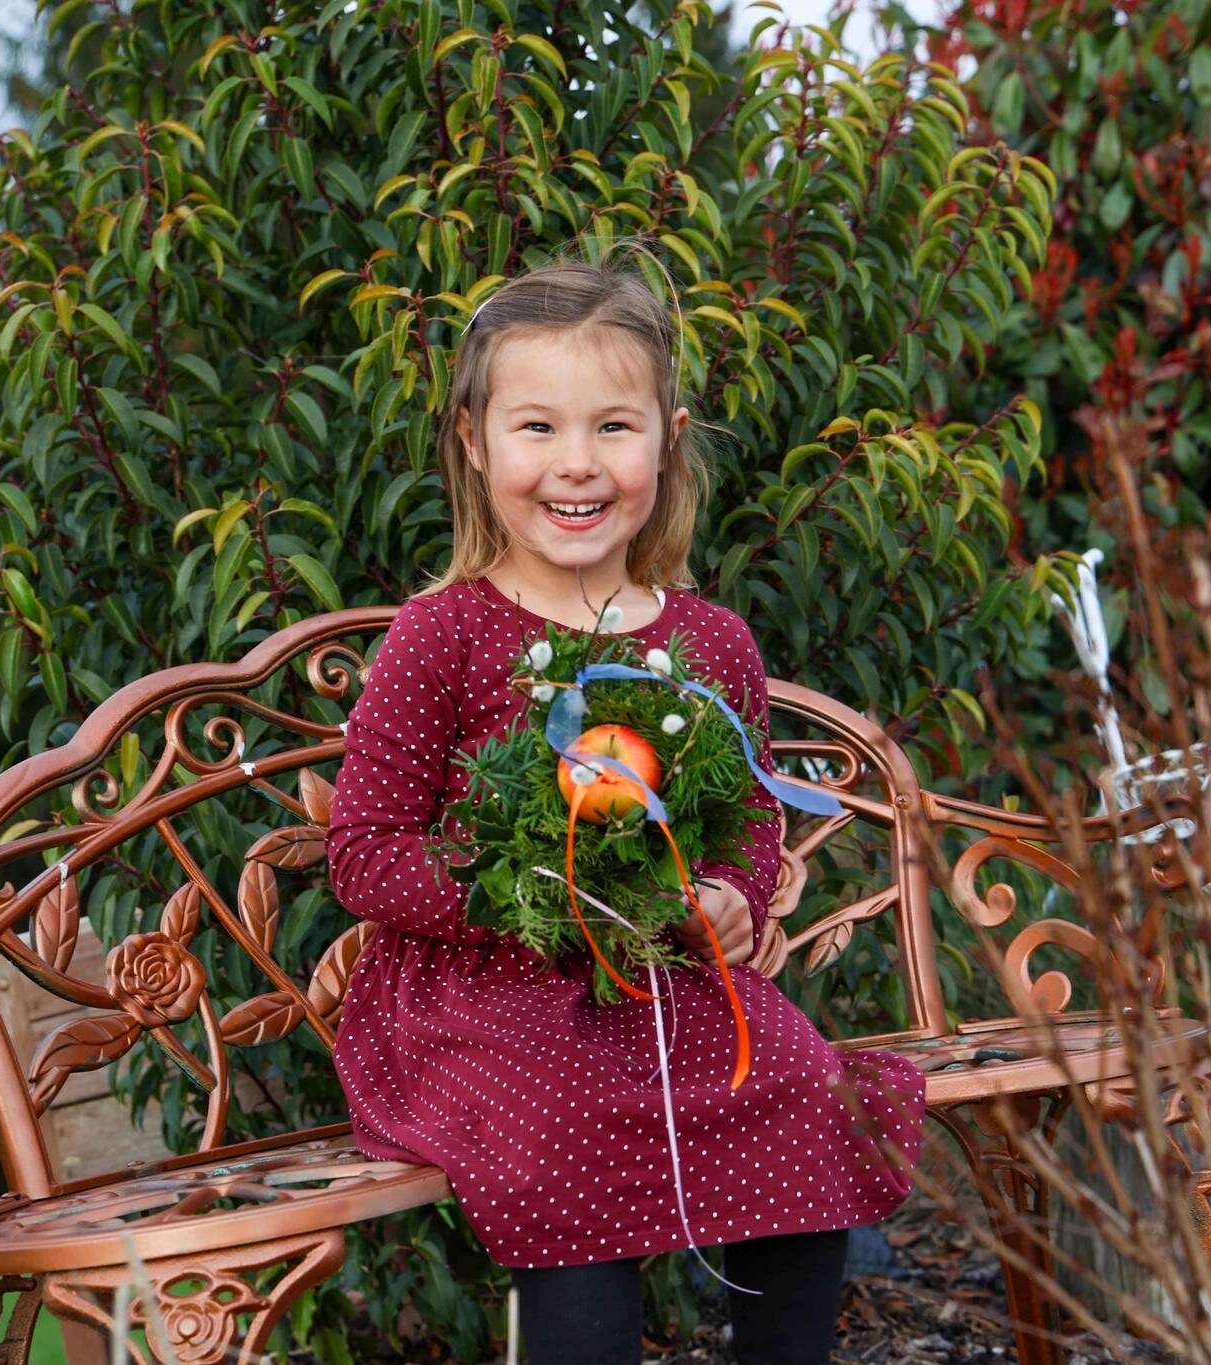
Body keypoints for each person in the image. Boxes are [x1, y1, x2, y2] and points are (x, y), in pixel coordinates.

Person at [326, 247, 928, 1364]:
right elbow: (363, 853)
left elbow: (746, 815)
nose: (576, 464)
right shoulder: (445, 635)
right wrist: (530, 897)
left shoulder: (705, 642)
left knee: (800, 1090)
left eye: (613, 426)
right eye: (536, 427)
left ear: (667, 435)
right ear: (473, 442)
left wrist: (732, 893)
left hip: (664, 981)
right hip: (483, 998)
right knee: (558, 1131)